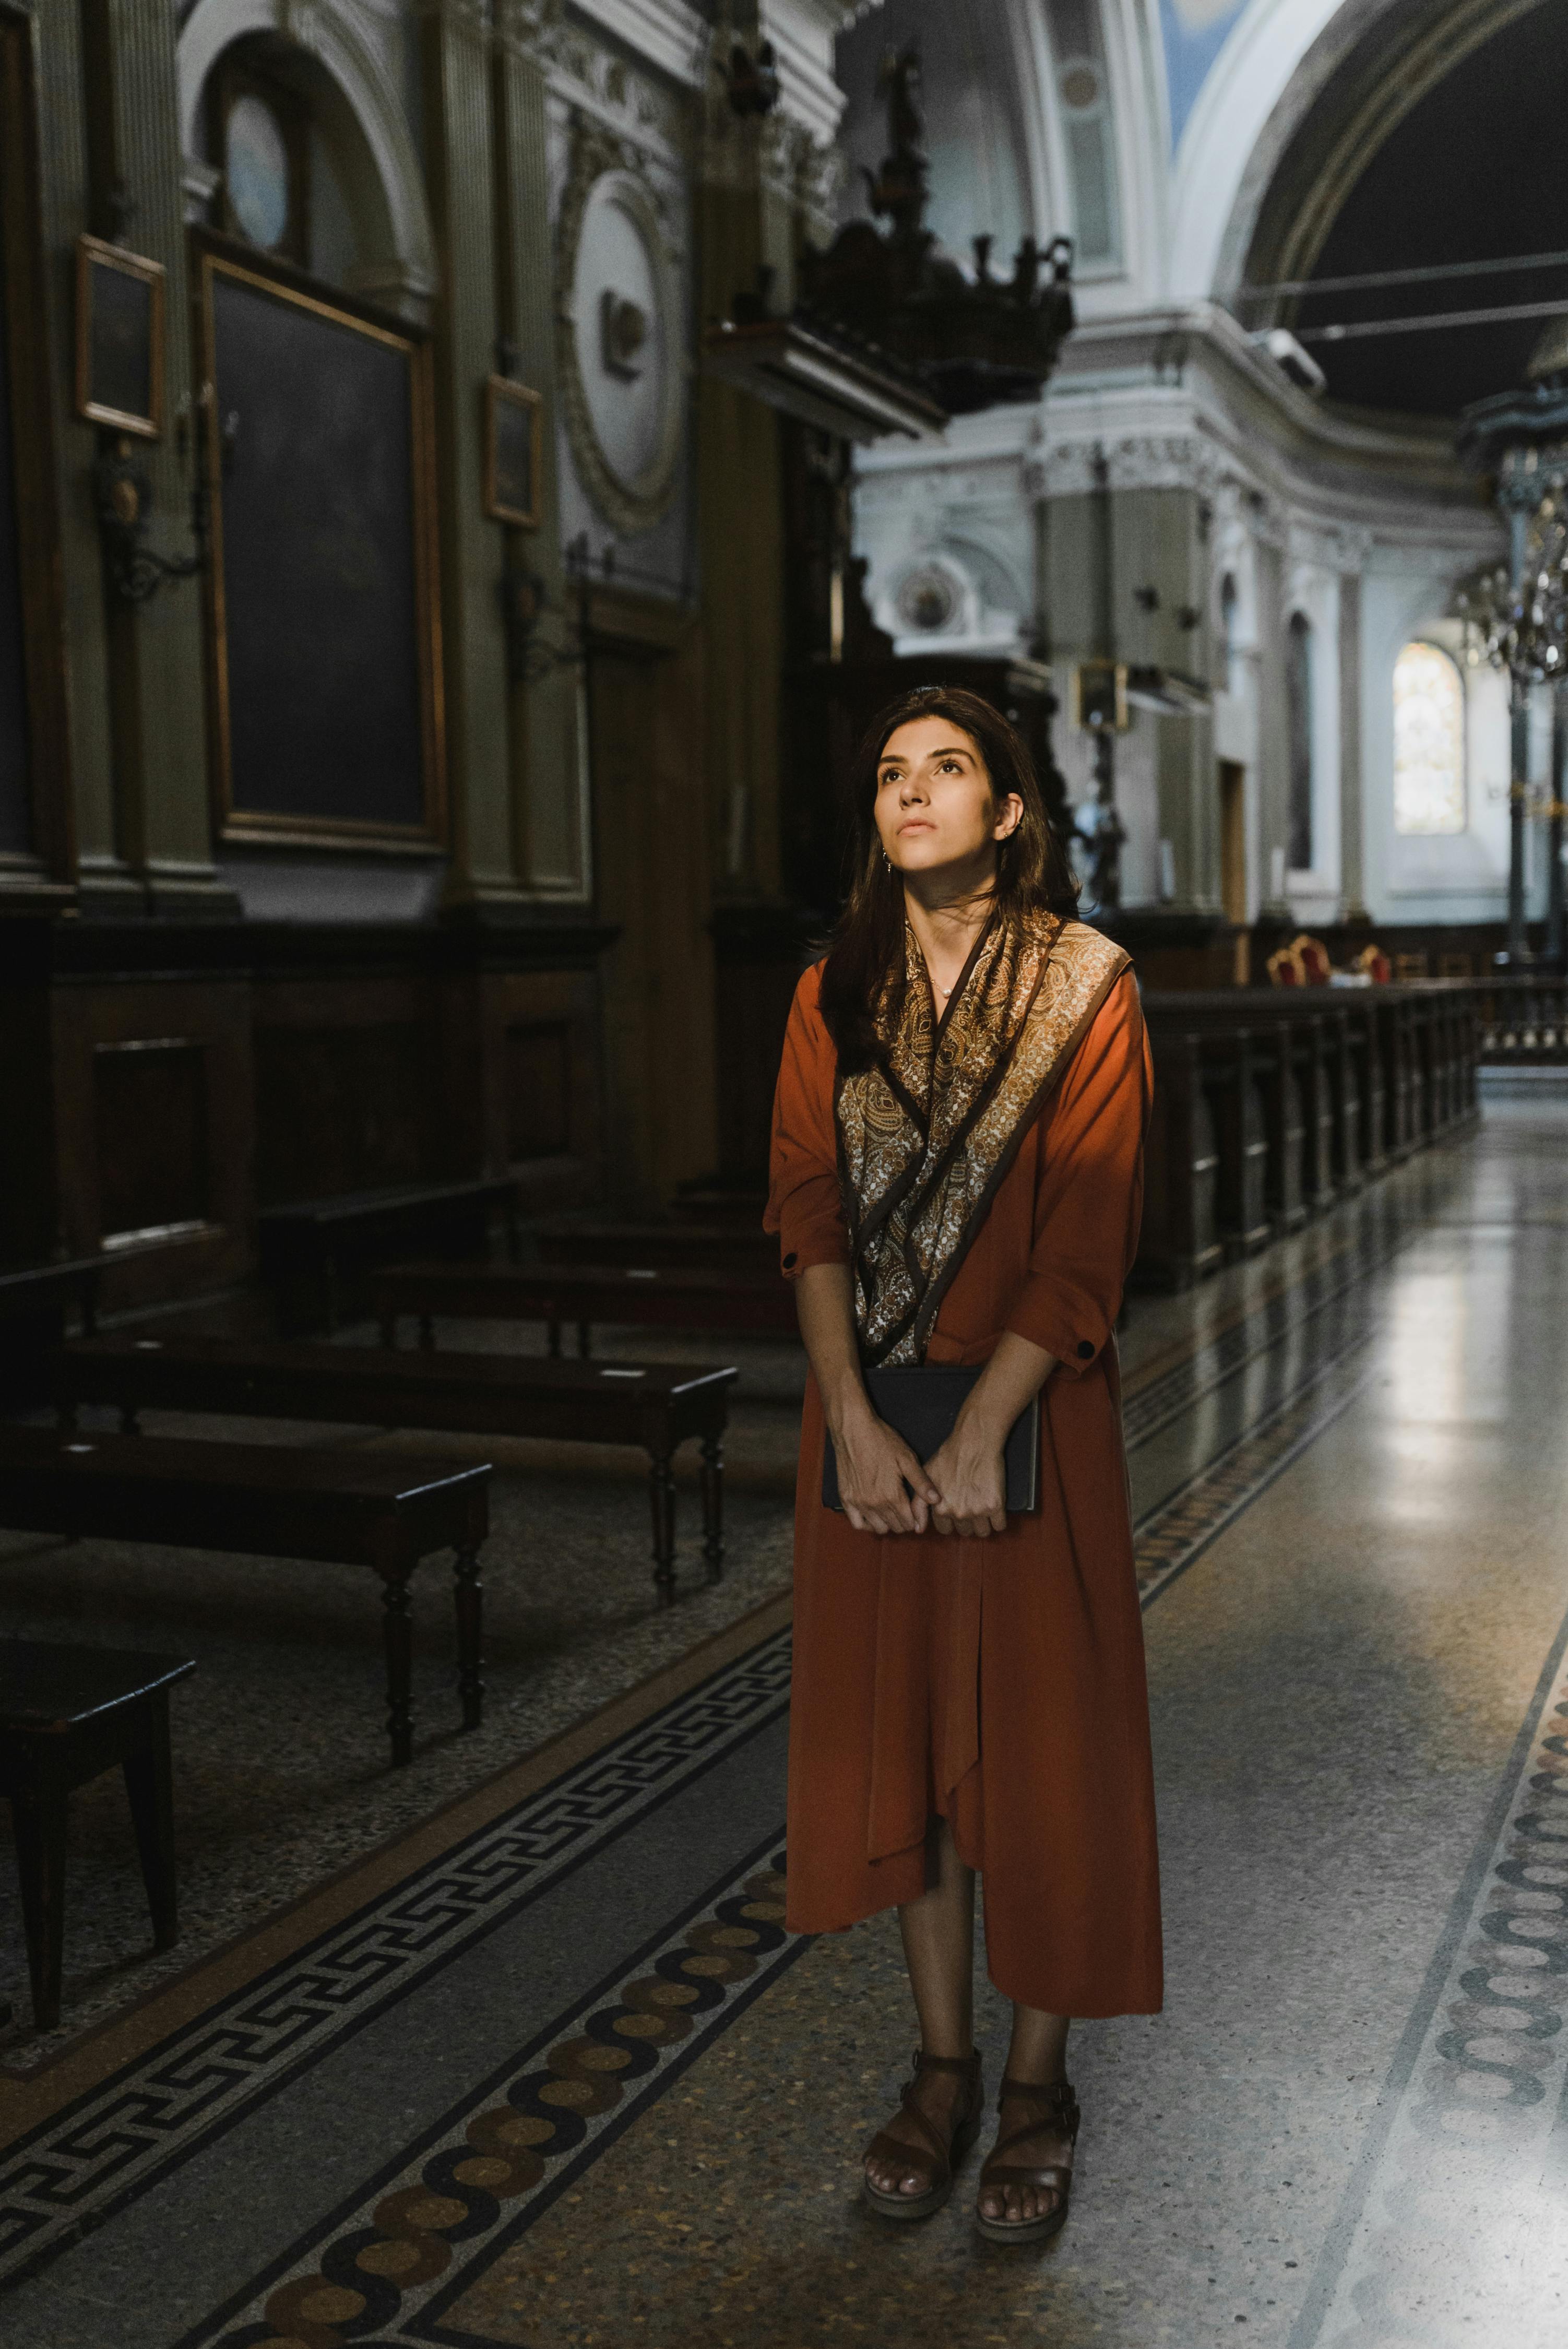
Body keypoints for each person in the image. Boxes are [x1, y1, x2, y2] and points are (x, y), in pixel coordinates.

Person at [764, 684, 1162, 2244]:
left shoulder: (1088, 985)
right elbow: (804, 1205)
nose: (911, 792)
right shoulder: (830, 992)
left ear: (1007, 812)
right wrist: (852, 1417)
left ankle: (1039, 2088)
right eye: (888, 774)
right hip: (865, 1427)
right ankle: (939, 2068)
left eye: (947, 770)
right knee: (909, 1742)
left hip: (1030, 1427)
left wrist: (984, 1425)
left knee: (1043, 1752)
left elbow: (1086, 1234)